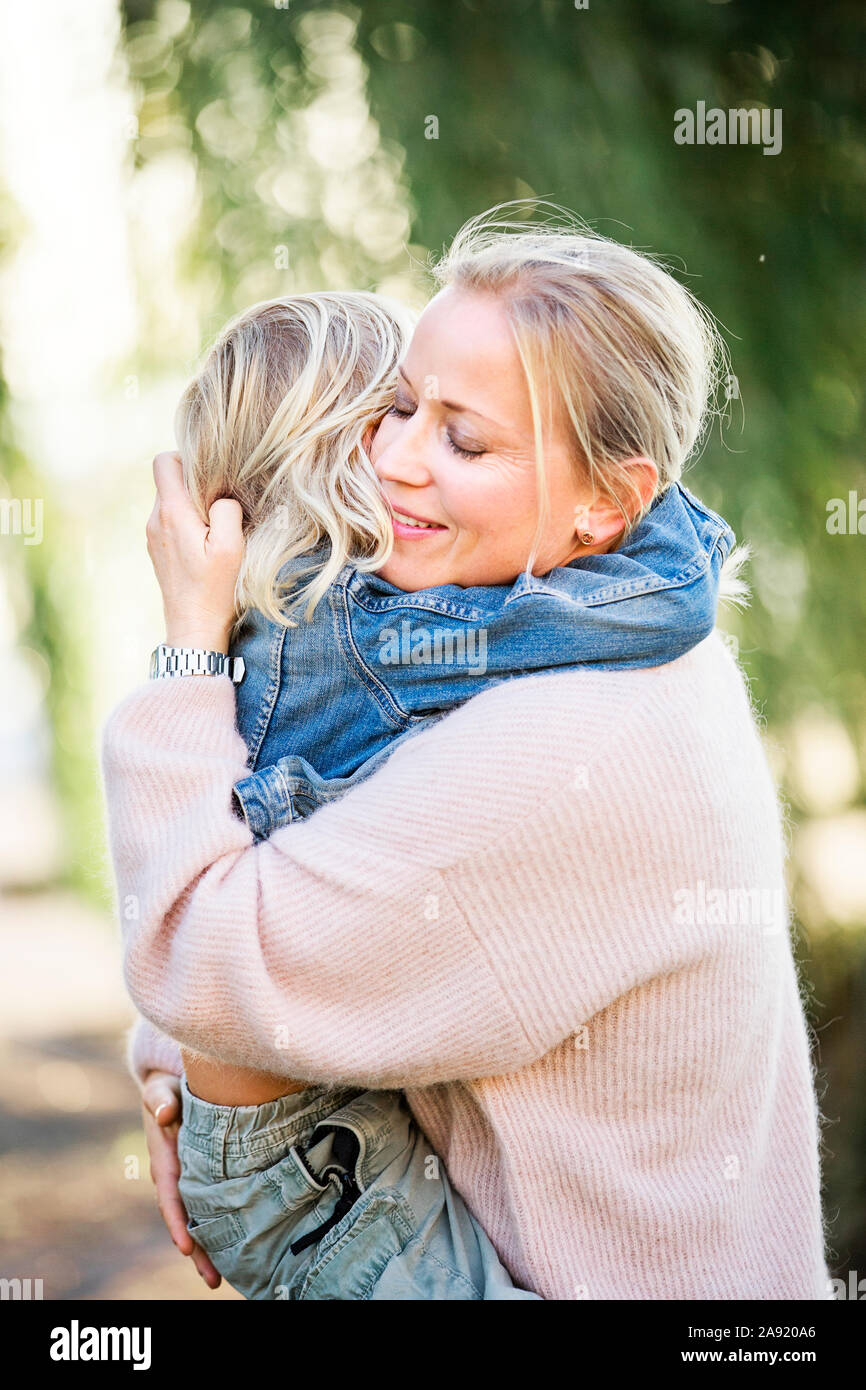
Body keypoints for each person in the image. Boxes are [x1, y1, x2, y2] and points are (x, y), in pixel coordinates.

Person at [104, 208, 829, 1300]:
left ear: (607, 499)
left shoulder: (558, 748)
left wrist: (188, 654)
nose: (391, 460)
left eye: (464, 439)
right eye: (398, 406)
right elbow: (292, 886)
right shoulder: (597, 630)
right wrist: (178, 1069)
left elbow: (202, 954)